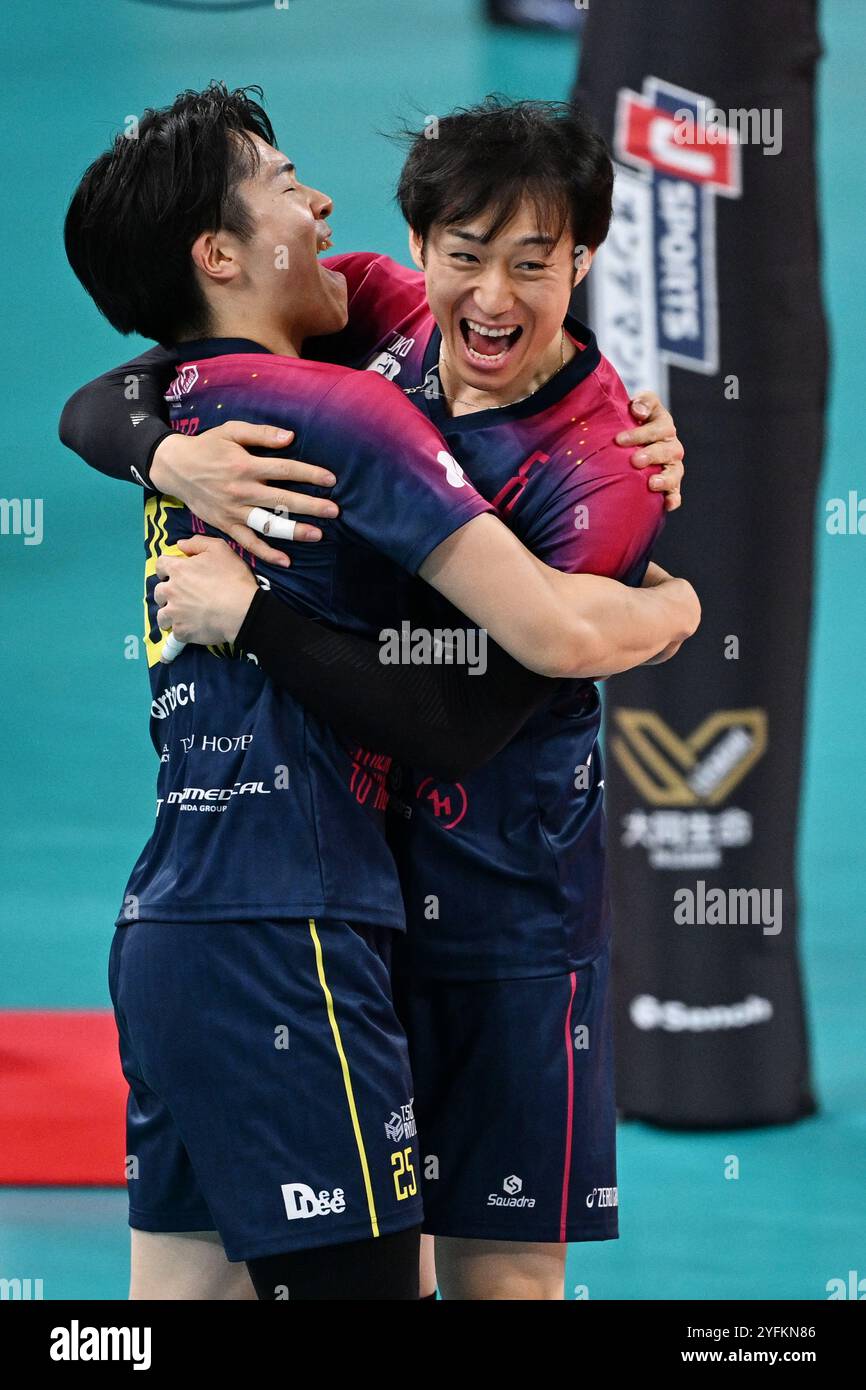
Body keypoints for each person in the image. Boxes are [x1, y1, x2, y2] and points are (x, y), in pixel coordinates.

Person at [60, 84, 698, 1302]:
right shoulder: (364, 345)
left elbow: (485, 699)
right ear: (421, 251)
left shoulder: (603, 469)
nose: (492, 297)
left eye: (532, 262)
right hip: (324, 913)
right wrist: (161, 446)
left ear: (584, 257)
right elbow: (117, 390)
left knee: (479, 1279)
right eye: (465, 257)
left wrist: (669, 611)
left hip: (493, 922)